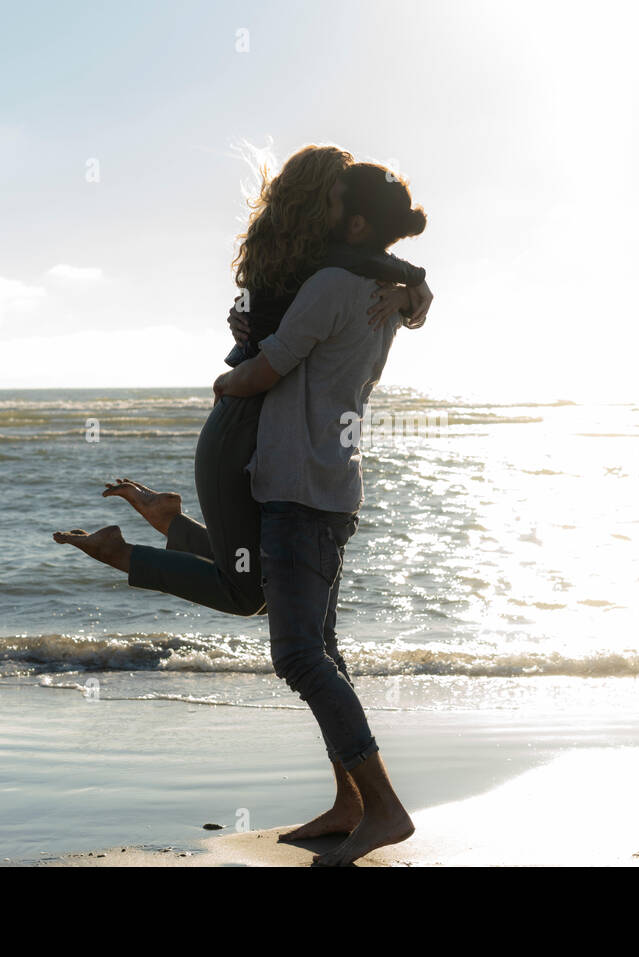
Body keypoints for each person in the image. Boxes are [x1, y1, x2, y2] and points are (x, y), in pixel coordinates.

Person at [54, 145, 432, 618]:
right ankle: (121, 553)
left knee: (254, 574)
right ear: (318, 201)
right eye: (338, 196)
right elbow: (365, 266)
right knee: (248, 591)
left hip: (256, 422)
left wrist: (409, 295)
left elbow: (358, 274)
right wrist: (413, 282)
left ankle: (169, 523)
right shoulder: (318, 264)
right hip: (241, 421)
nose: (344, 209)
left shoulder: (291, 252)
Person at [209, 162, 423, 865]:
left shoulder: (334, 285)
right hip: (330, 486)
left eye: (338, 203)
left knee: (299, 655)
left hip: (299, 488)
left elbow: (271, 365)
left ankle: (384, 805)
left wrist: (224, 380)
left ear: (355, 223)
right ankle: (351, 802)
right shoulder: (382, 292)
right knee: (321, 650)